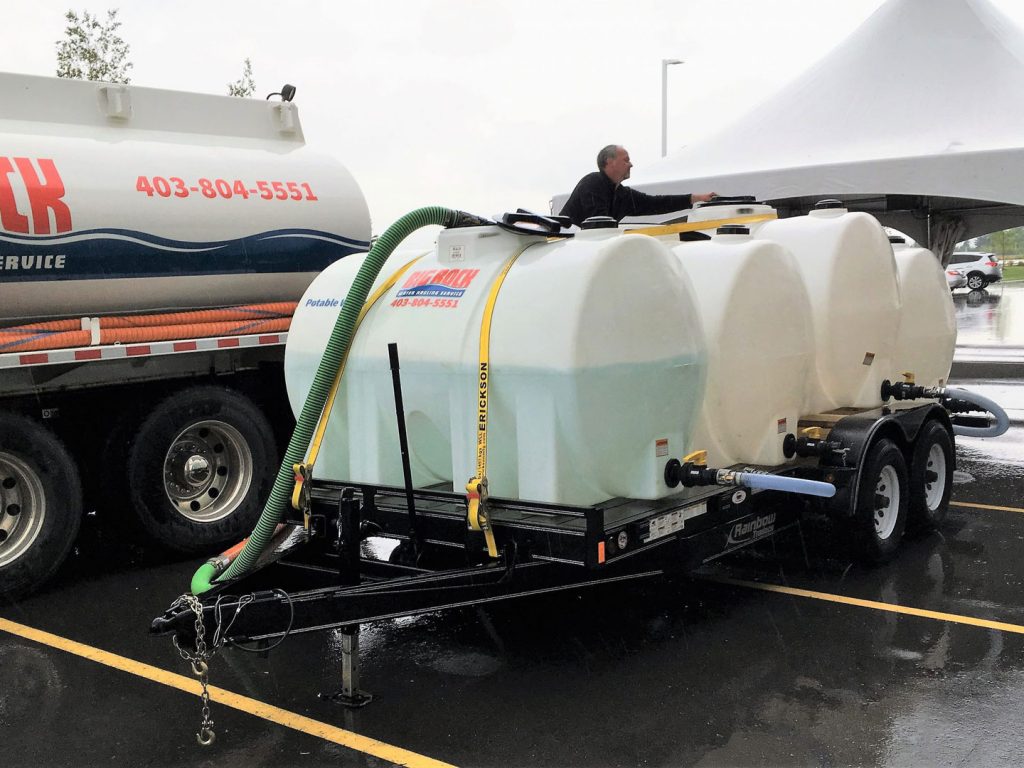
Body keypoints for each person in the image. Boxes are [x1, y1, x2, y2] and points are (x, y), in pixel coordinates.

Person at [559, 145, 717, 227]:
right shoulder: (591, 184)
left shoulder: (623, 195)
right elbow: (598, 223)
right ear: (610, 162)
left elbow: (655, 203)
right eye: (626, 160)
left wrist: (694, 198)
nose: (631, 164)